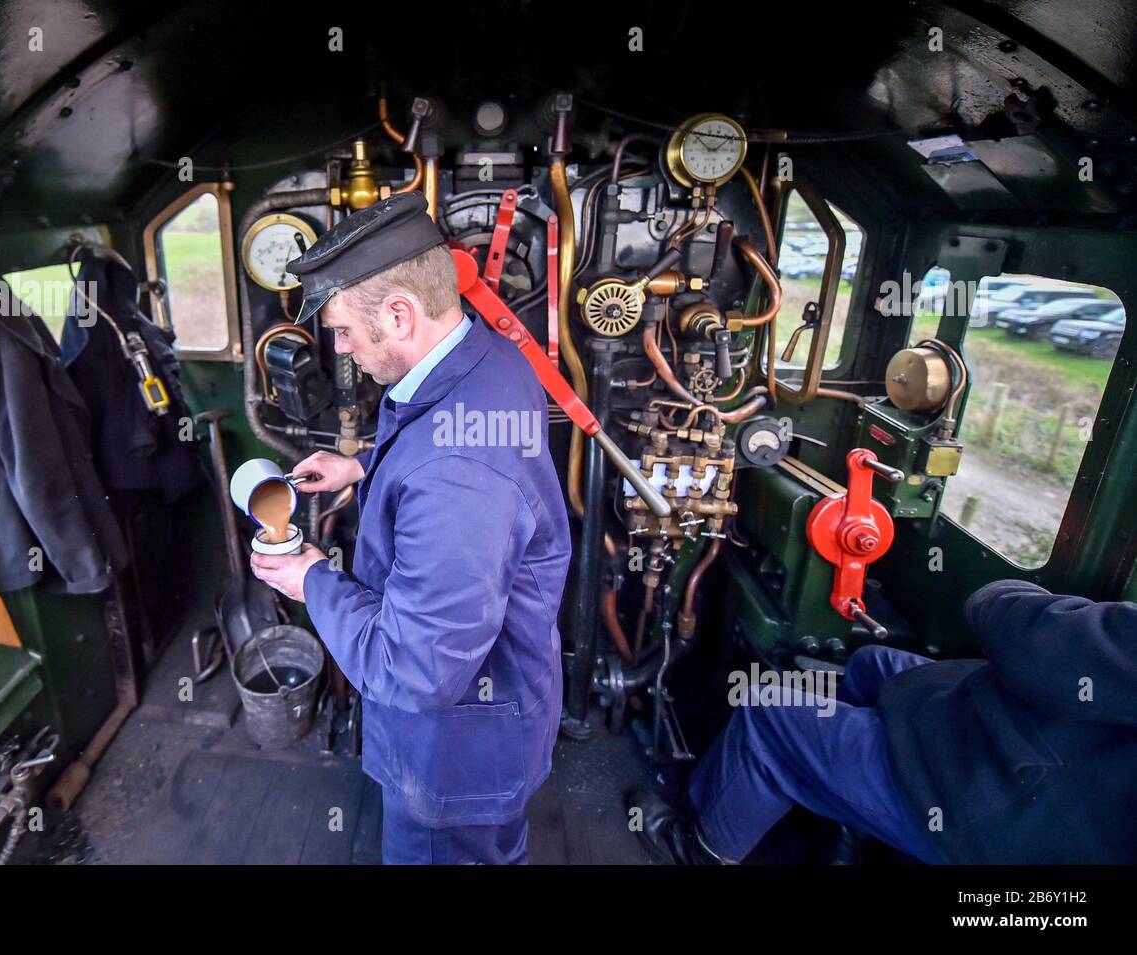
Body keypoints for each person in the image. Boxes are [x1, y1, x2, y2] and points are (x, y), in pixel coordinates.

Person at [248, 192, 571, 865]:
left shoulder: (456, 476)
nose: (342, 349)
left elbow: (413, 667)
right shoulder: (486, 358)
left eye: (342, 330)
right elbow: (443, 449)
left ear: (399, 313)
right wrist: (363, 468)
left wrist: (312, 579)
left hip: (453, 763)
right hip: (499, 725)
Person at [631, 579, 1137, 864]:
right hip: (1045, 745)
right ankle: (842, 830)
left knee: (769, 713)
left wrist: (1005, 593)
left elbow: (1031, 640)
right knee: (872, 662)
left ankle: (699, 850)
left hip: (1004, 807)